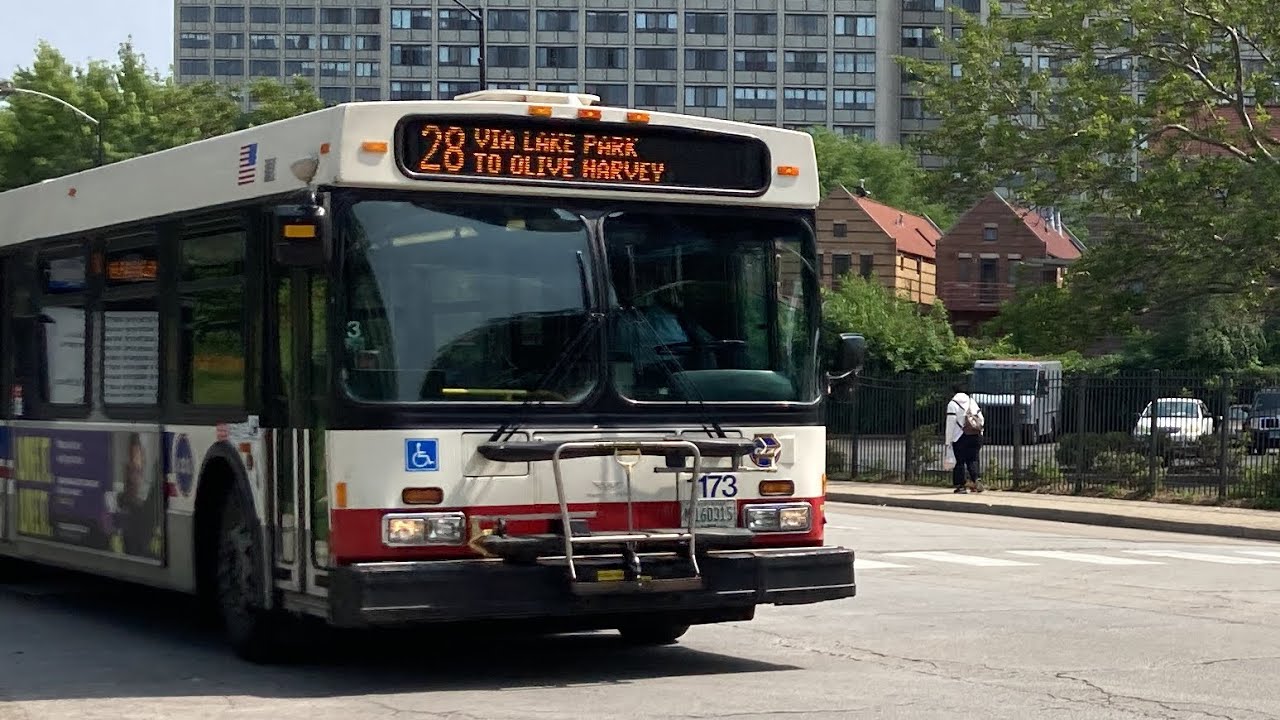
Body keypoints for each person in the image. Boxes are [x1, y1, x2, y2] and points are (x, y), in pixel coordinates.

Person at [945, 382, 985, 494]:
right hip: (976, 435)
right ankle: (976, 480)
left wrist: (948, 441)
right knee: (973, 460)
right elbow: (981, 418)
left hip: (960, 437)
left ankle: (961, 486)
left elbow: (950, 424)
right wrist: (980, 432)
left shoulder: (952, 404)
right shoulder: (972, 401)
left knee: (960, 462)